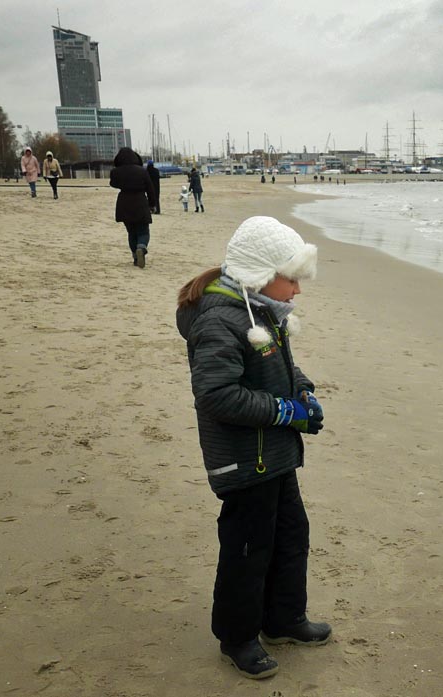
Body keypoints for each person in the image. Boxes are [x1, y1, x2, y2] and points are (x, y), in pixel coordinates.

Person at [175, 216, 330, 680]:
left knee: (291, 534)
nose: (297, 290)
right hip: (244, 461)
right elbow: (216, 395)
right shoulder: (221, 319)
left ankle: (283, 618)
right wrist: (285, 411)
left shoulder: (260, 309)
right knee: (248, 548)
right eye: (292, 279)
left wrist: (303, 391)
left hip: (275, 456)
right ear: (262, 274)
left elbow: (283, 367)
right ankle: (237, 636)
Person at [109, 147, 157, 269]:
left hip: (124, 203)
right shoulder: (142, 171)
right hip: (140, 201)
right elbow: (150, 188)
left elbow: (113, 184)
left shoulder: (115, 172)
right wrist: (152, 204)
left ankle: (136, 257)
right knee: (143, 231)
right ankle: (141, 247)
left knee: (131, 232)